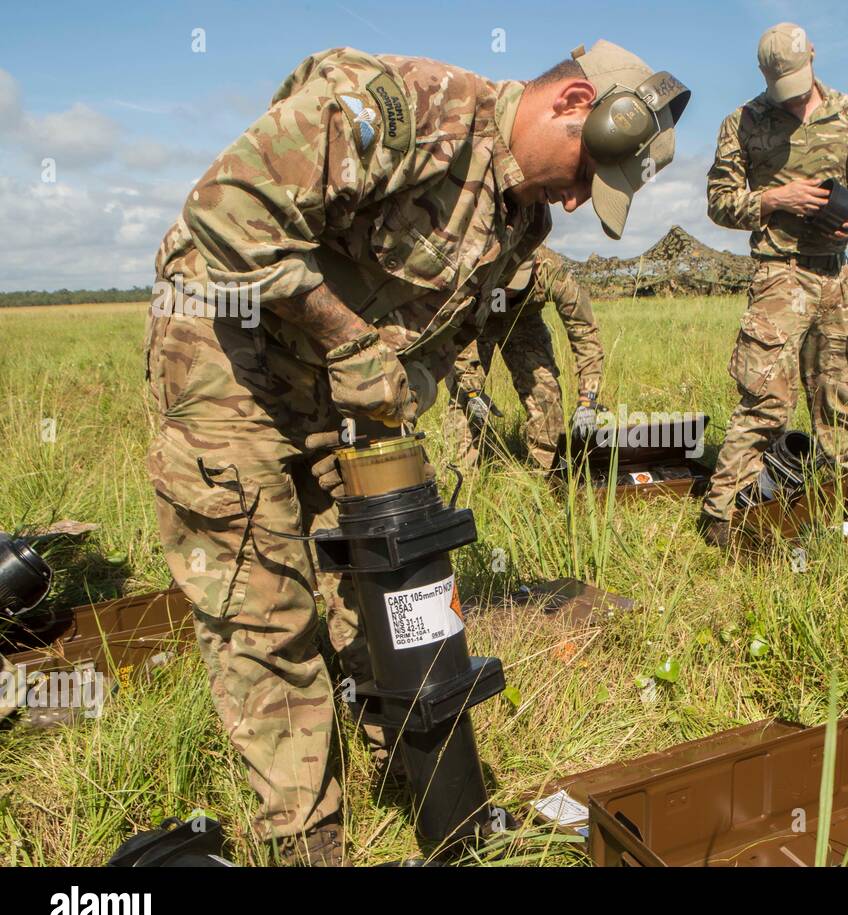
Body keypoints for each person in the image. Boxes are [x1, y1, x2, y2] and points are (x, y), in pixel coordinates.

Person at [144, 41, 687, 864]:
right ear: (574, 101)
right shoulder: (409, 106)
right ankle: (307, 842)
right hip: (230, 369)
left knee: (387, 588)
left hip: (343, 399)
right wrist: (346, 341)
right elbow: (228, 216)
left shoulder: (520, 217)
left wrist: (400, 403)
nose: (577, 202)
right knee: (270, 616)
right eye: (584, 176)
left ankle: (420, 785)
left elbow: (442, 334)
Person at [698, 22, 848, 546]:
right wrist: (776, 200)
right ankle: (722, 518)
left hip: (834, 273)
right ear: (763, 75)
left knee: (843, 397)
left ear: (814, 56)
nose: (793, 96)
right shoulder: (744, 121)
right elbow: (719, 202)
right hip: (780, 274)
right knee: (766, 401)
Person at [445, 246, 604, 470]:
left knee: (545, 391)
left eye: (514, 283)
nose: (508, 291)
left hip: (524, 320)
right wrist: (470, 387)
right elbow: (455, 330)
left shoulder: (552, 272)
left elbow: (584, 332)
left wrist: (588, 399)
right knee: (464, 399)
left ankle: (550, 471)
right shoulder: (472, 266)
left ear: (535, 266)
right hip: (476, 320)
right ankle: (462, 475)